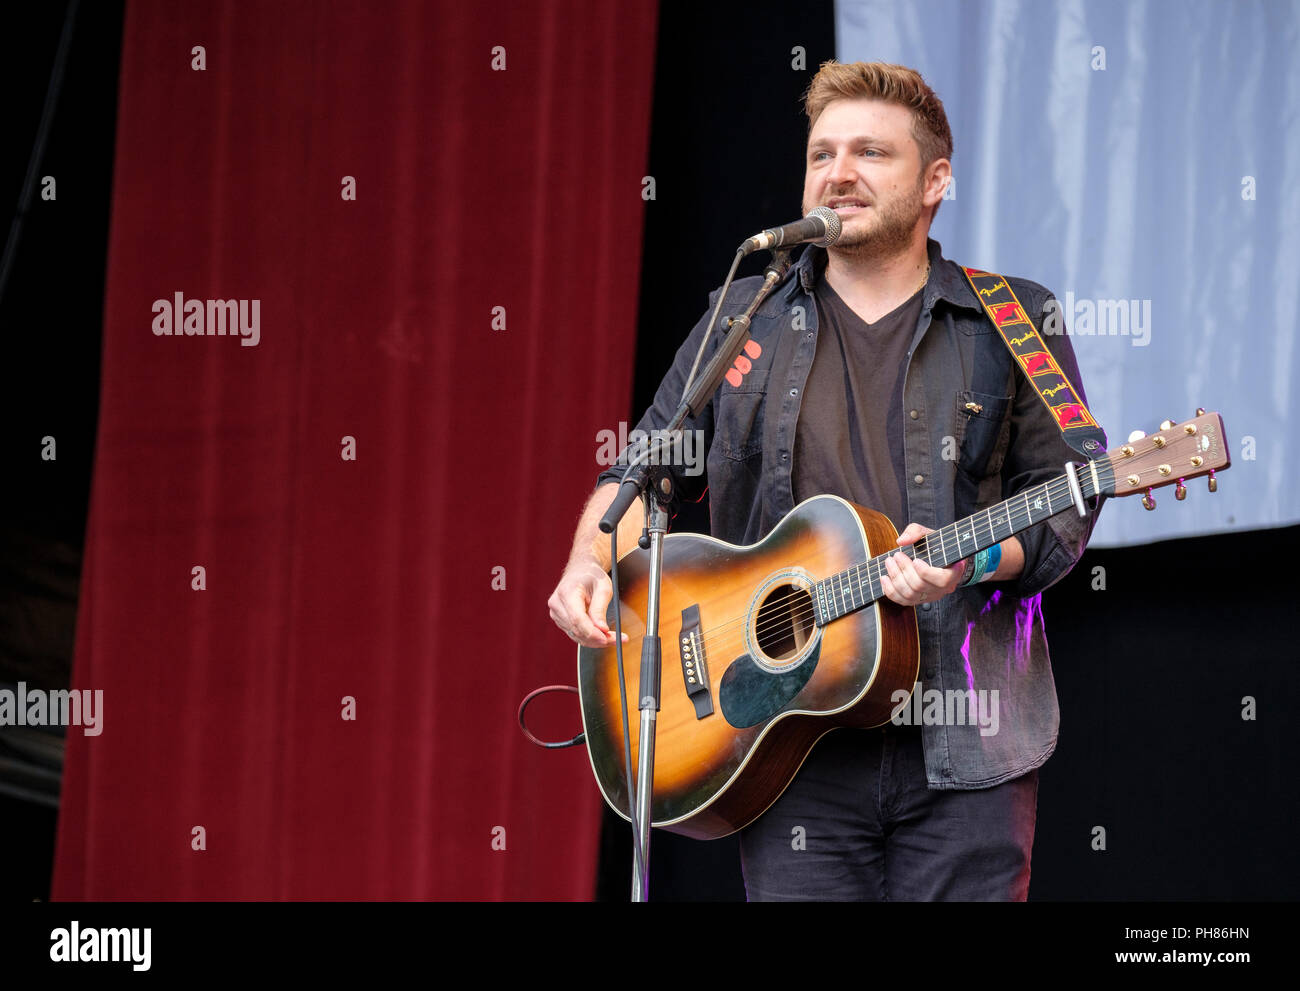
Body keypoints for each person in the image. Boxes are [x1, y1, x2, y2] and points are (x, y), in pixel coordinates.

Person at [547, 61, 1102, 901]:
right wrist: (591, 558)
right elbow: (643, 470)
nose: (838, 173)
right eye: (822, 154)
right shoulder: (743, 317)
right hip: (782, 742)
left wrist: (974, 563)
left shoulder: (1016, 318)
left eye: (871, 152)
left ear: (935, 181)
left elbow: (1071, 497)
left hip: (965, 739)